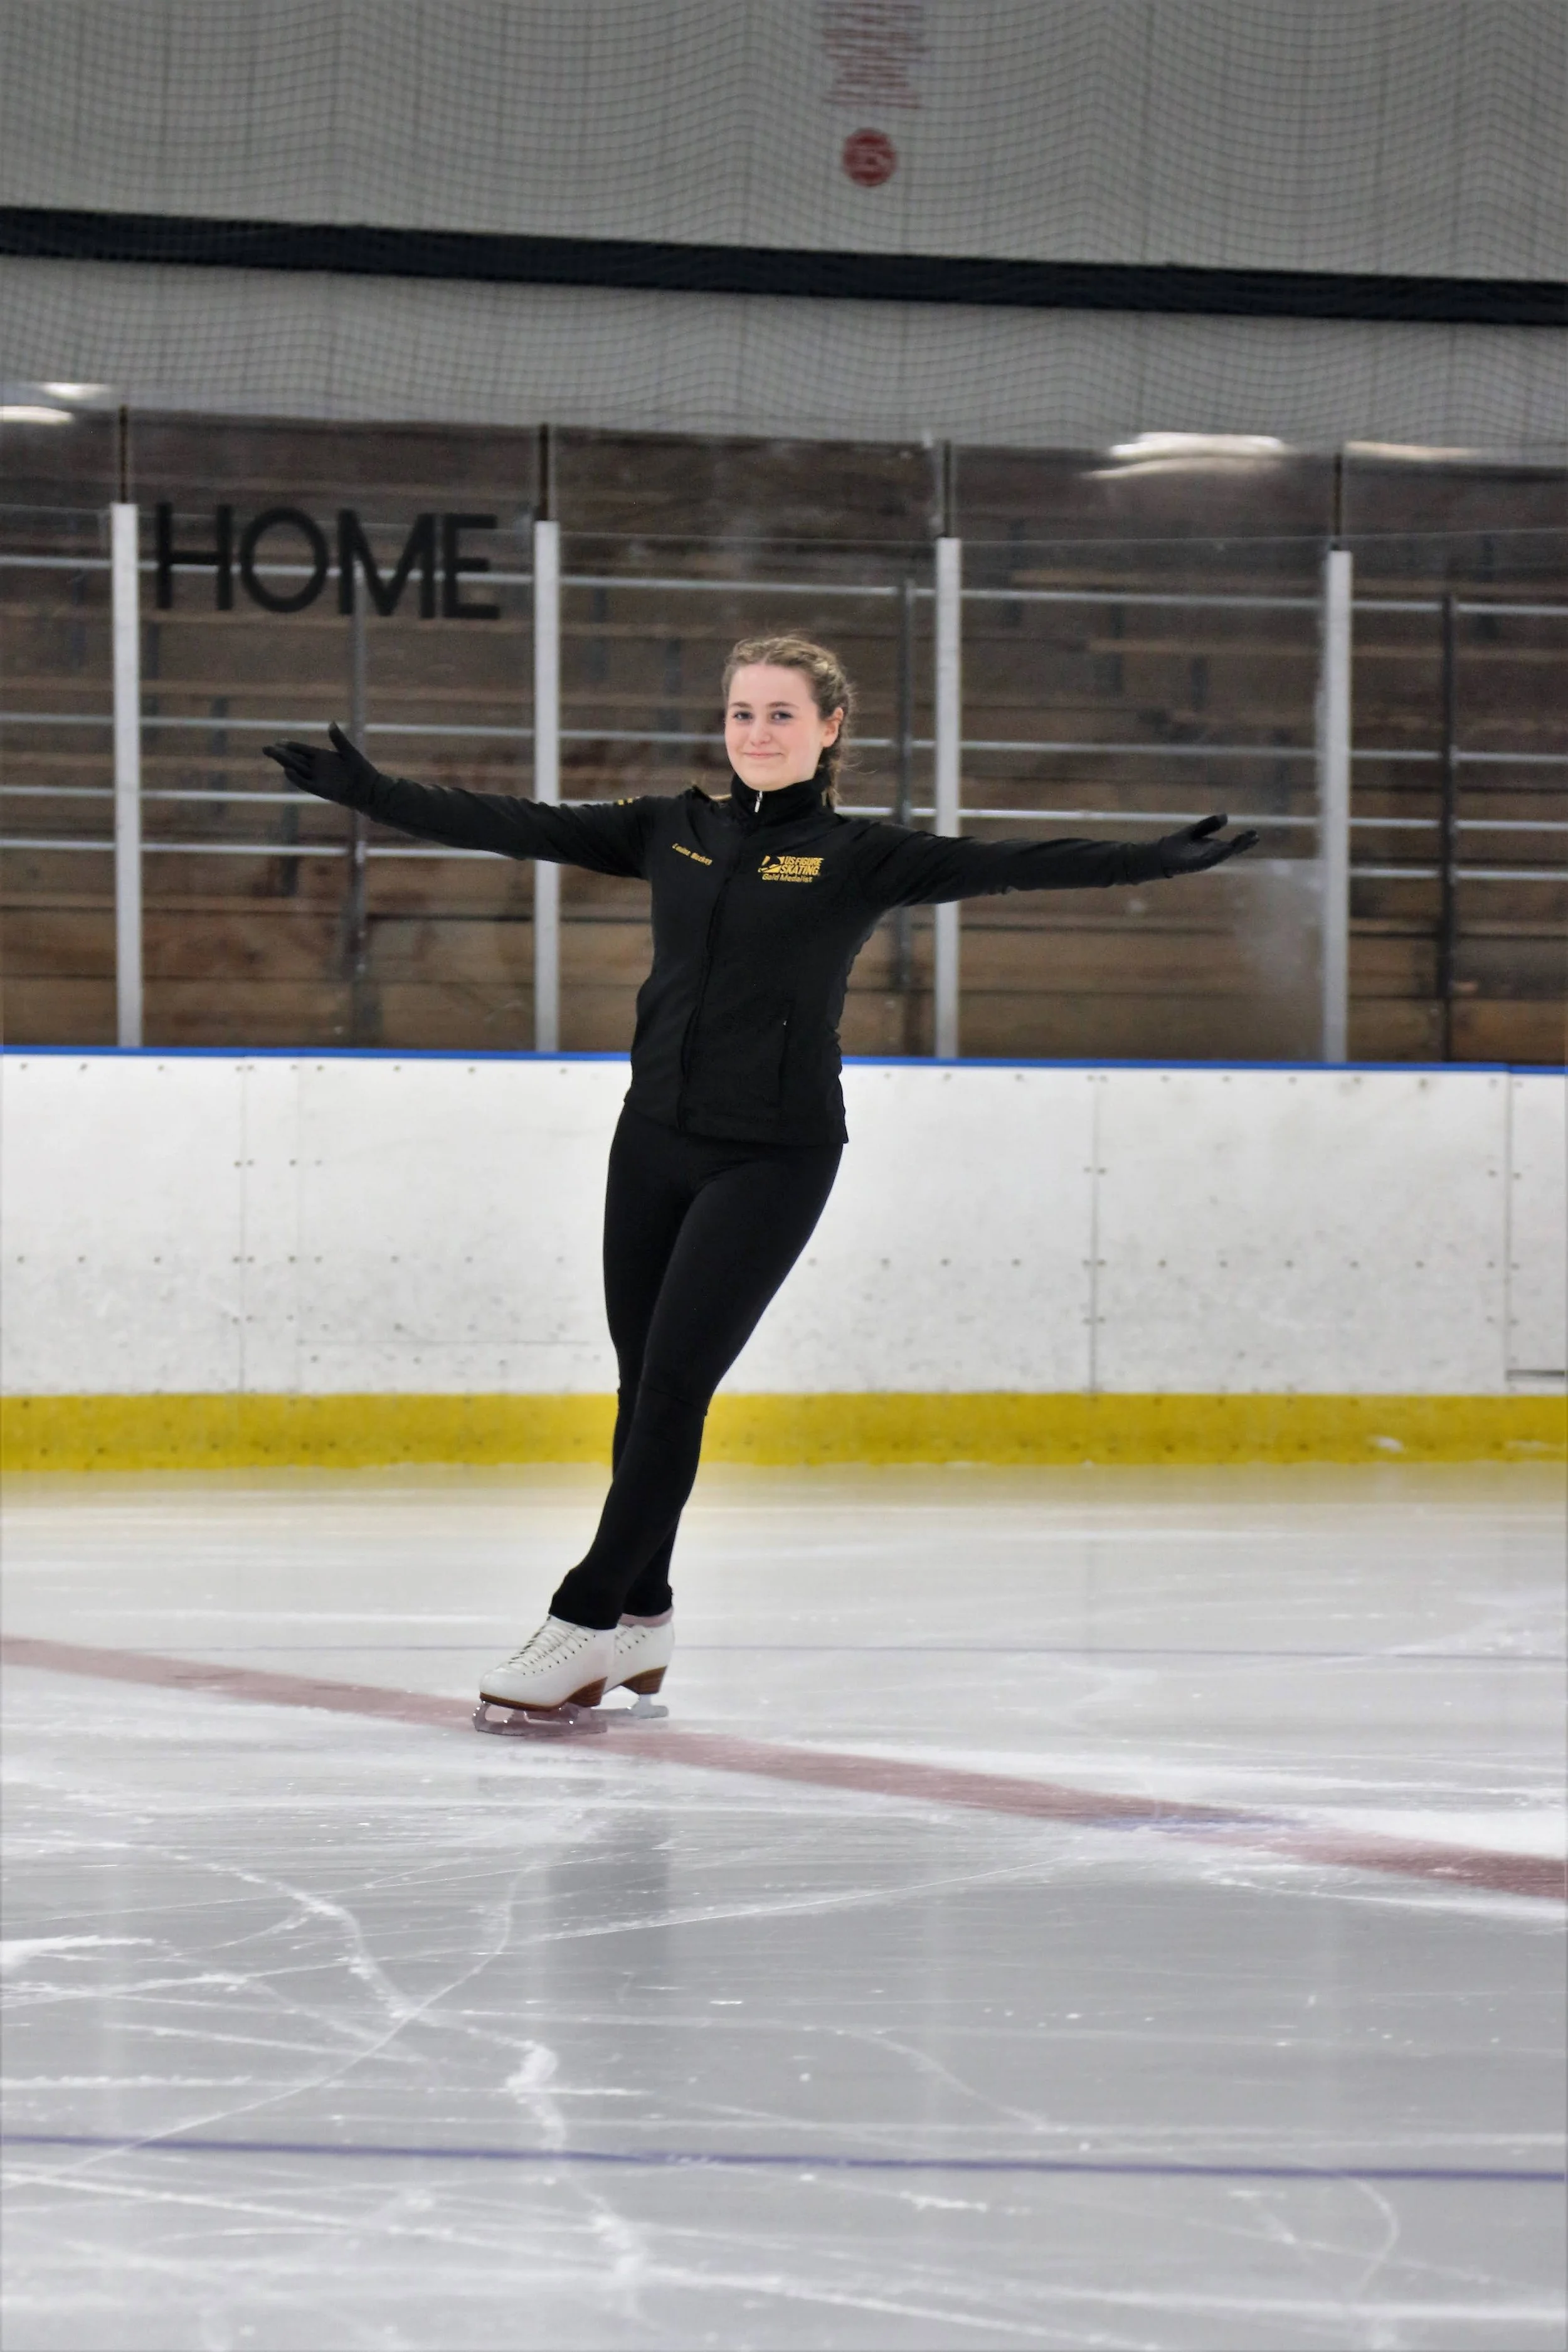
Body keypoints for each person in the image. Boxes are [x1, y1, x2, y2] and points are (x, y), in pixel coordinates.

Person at [265, 633, 1256, 1722]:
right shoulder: (669, 830)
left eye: (782, 714)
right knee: (641, 1390)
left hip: (772, 1155)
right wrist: (370, 792)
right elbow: (513, 823)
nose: (757, 733)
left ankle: (583, 1617)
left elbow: (1006, 858)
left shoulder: (858, 854)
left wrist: (1153, 860)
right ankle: (646, 1613)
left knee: (676, 1391)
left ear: (831, 729)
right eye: (742, 713)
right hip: (650, 1142)